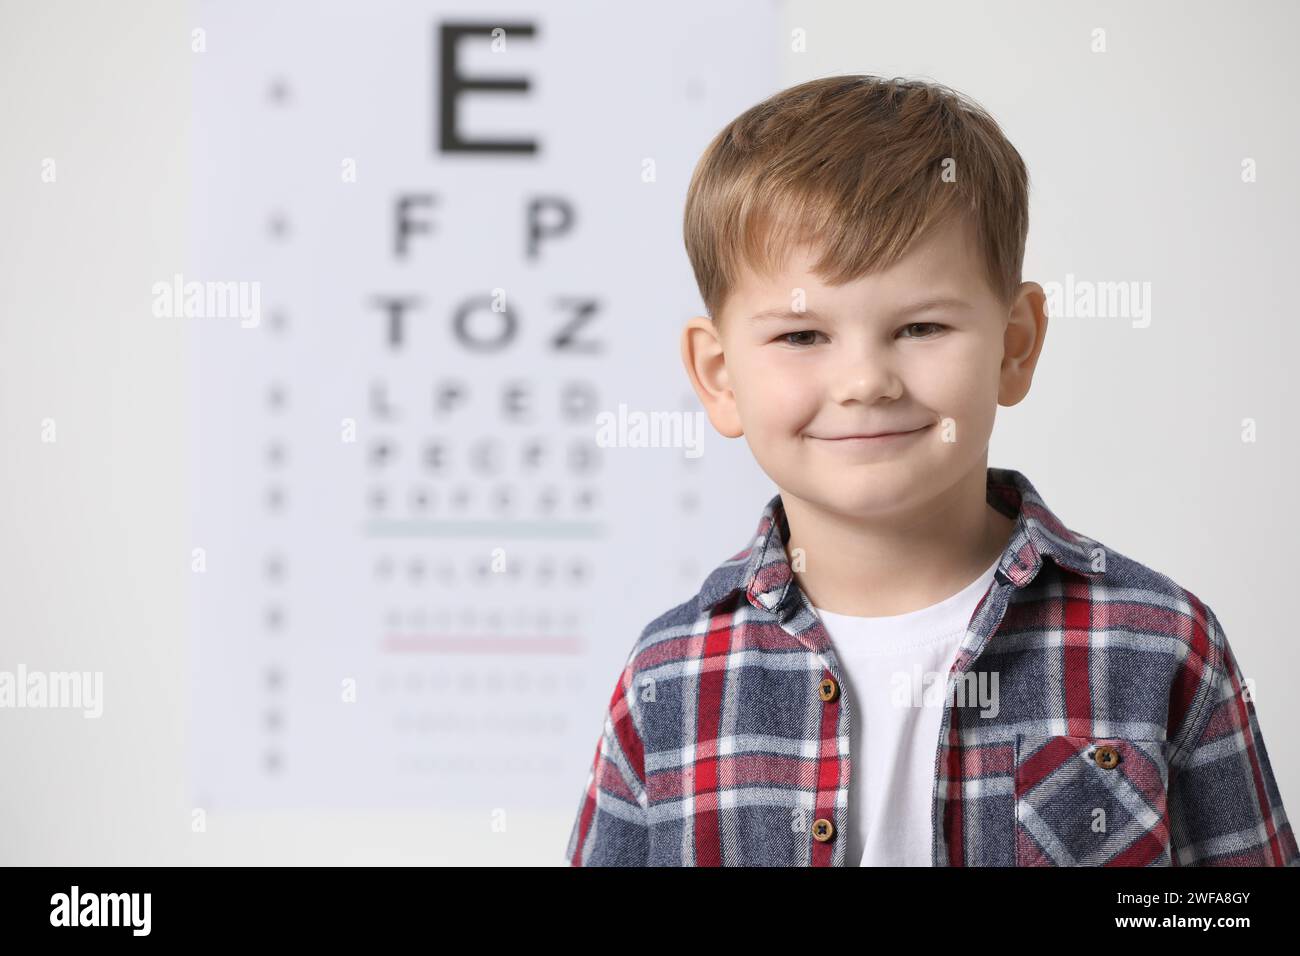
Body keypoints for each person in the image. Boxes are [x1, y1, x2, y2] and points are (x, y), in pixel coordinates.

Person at [564, 75, 1297, 866]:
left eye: (920, 326)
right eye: (802, 337)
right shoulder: (667, 680)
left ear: (1015, 346)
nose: (865, 382)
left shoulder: (1159, 645)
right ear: (718, 375)